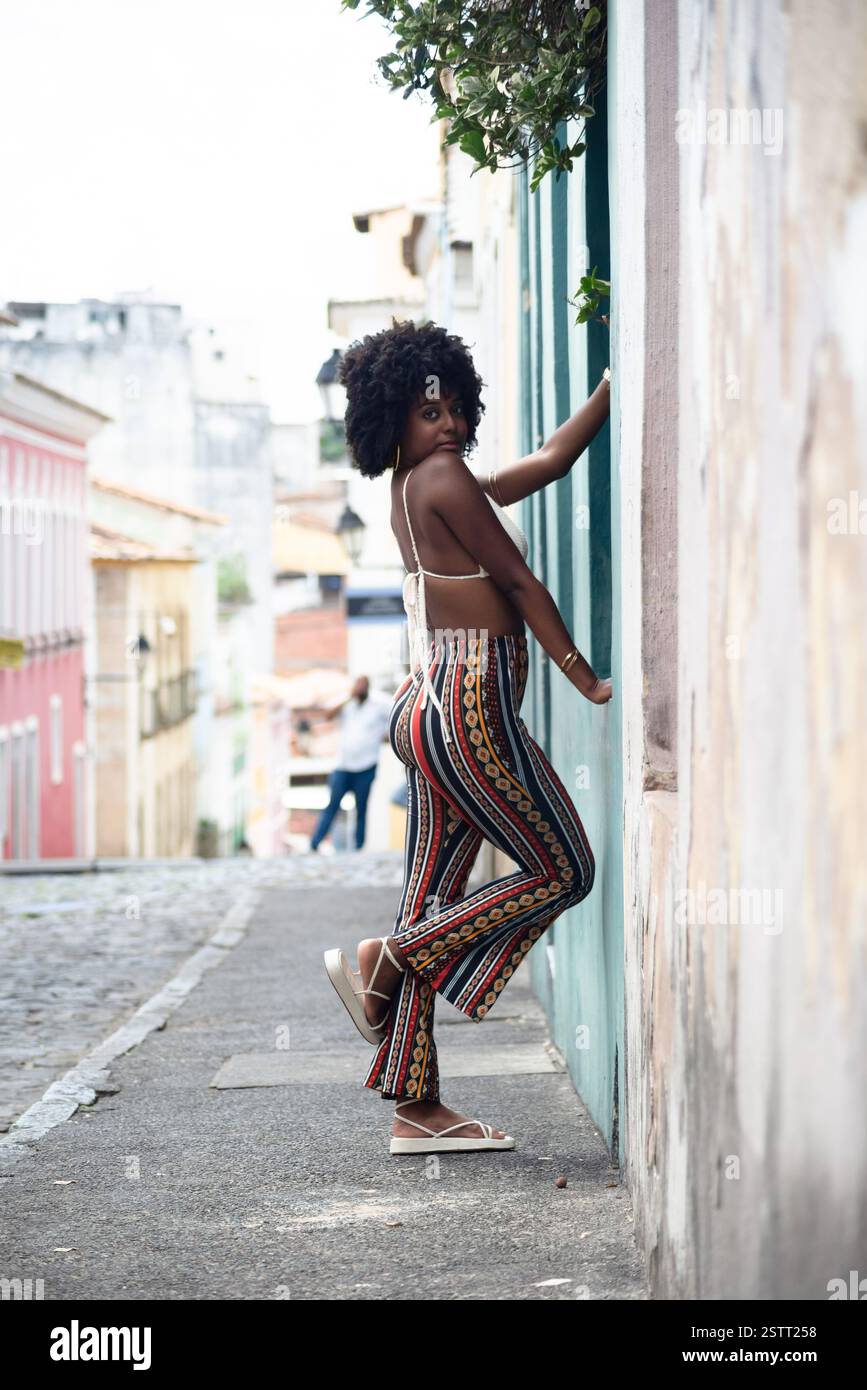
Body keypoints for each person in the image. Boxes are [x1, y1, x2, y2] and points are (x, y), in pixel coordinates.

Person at [323, 317, 613, 1155]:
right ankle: (389, 957)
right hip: (469, 705)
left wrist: (604, 394)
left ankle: (417, 1109)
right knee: (564, 867)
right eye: (427, 414)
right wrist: (580, 672)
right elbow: (518, 581)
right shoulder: (444, 478)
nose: (446, 426)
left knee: (431, 896)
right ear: (392, 420)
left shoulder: (421, 483)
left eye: (453, 409)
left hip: (427, 706)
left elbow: (545, 466)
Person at [308, 675, 392, 853]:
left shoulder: (380, 704)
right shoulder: (348, 704)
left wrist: (387, 737)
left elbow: (397, 716)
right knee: (332, 805)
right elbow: (327, 715)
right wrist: (348, 698)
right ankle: (315, 843)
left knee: (361, 808)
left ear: (368, 688)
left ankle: (358, 846)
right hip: (344, 766)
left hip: (366, 765)